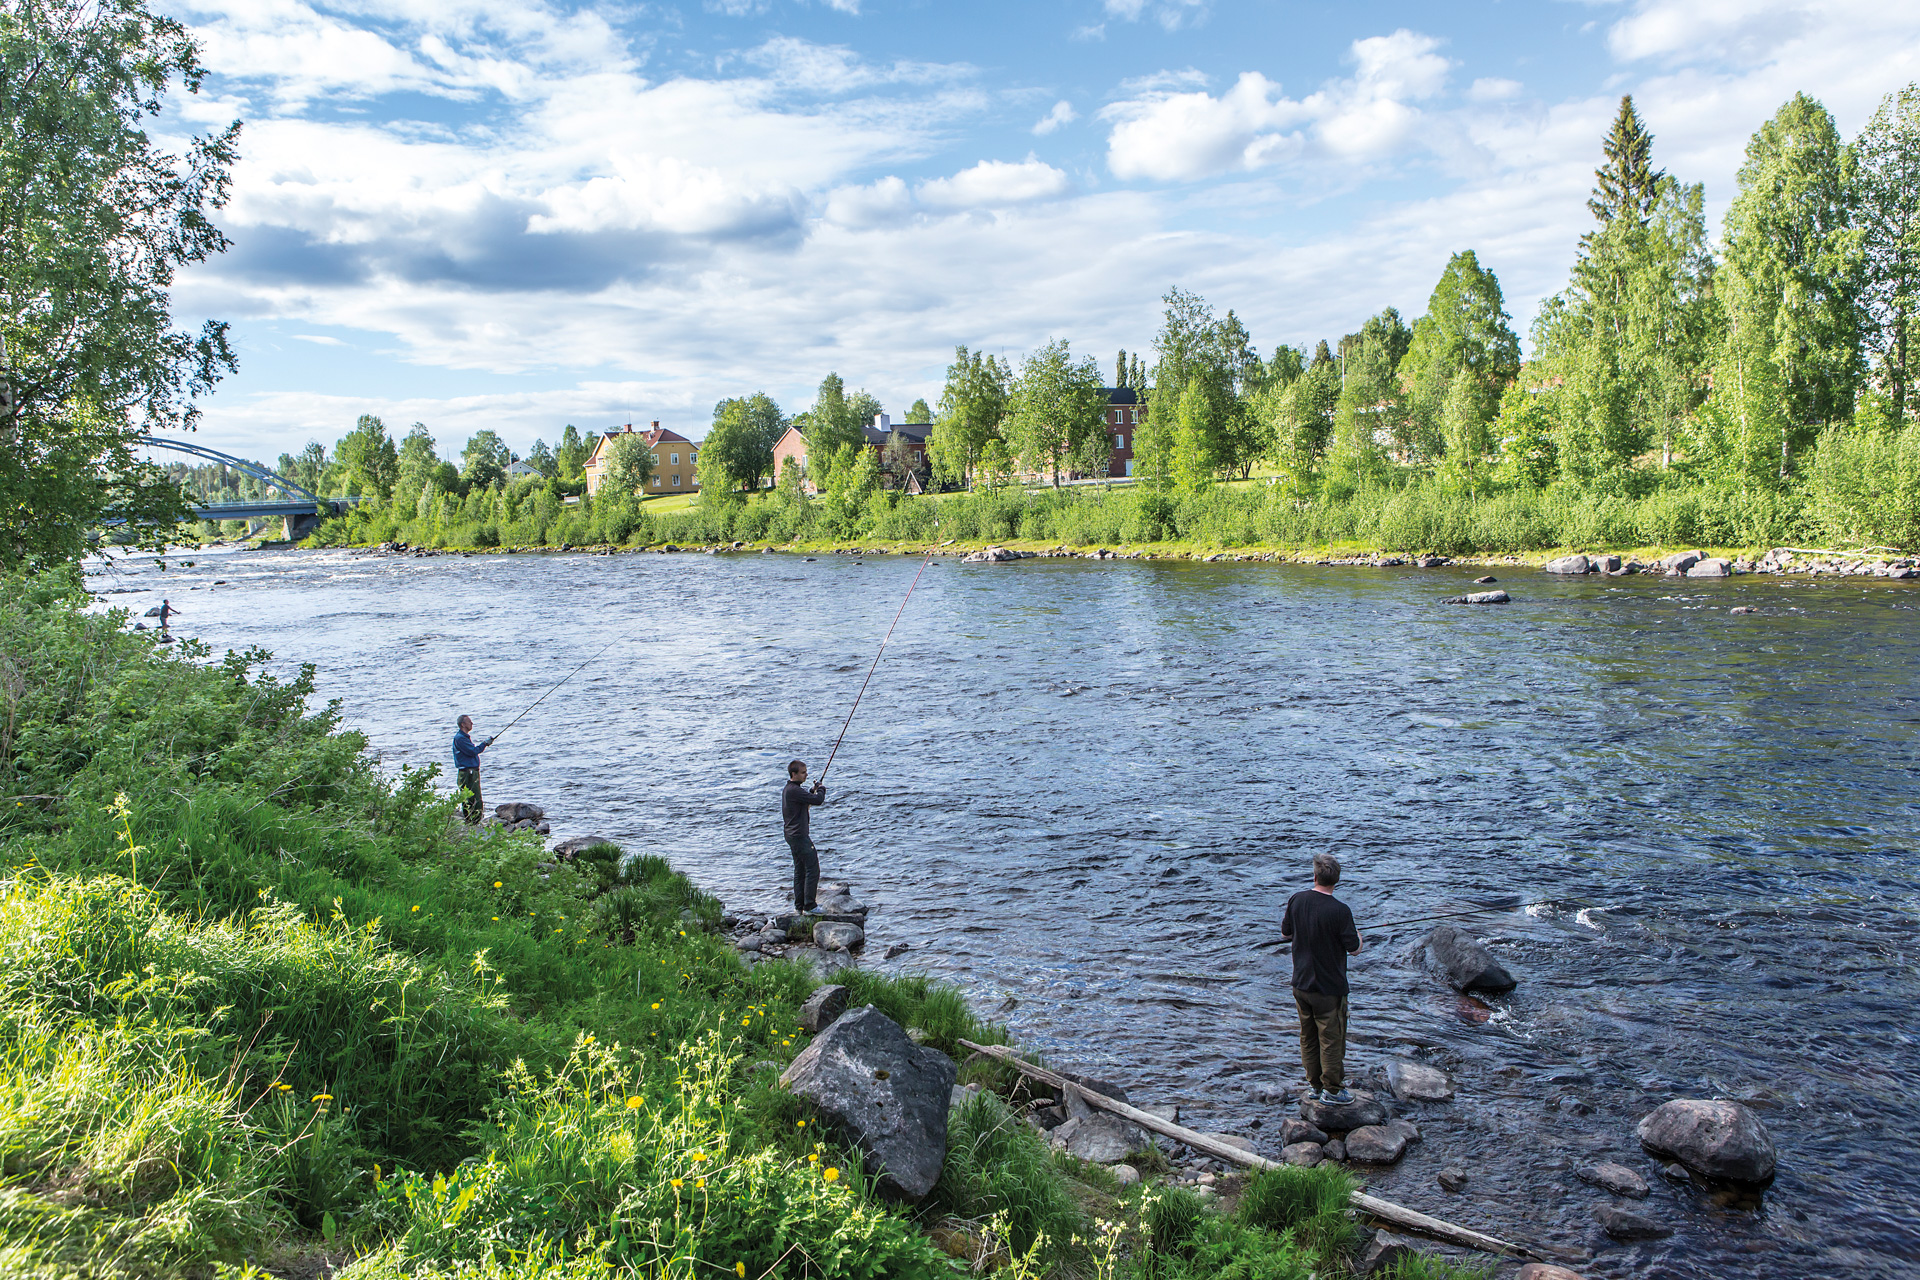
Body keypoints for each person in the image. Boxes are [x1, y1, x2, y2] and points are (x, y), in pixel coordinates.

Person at [1279, 852, 1363, 1104]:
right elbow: (1354, 948)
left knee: (1308, 1035)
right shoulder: (1340, 910)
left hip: (1301, 983)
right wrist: (1359, 935)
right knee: (1331, 1039)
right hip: (1329, 989)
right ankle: (1334, 1090)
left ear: (1314, 876)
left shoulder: (1297, 899)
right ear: (1336, 880)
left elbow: (1285, 934)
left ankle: (1314, 1086)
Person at [781, 759, 826, 912]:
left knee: (800, 870)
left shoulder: (790, 789)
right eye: (803, 772)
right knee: (813, 868)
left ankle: (799, 905)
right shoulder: (794, 790)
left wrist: (812, 790)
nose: (806, 775)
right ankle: (810, 905)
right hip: (799, 836)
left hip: (791, 835)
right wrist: (821, 789)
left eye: (806, 772)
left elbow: (806, 800)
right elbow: (818, 800)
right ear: (794, 774)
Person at [452, 715, 494, 825]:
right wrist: (485, 744)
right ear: (463, 724)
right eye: (469, 722)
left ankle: (473, 820)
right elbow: (472, 751)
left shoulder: (463, 737)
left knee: (473, 796)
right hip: (468, 773)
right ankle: (473, 821)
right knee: (472, 797)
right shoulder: (460, 738)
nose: (472, 723)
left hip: (470, 772)